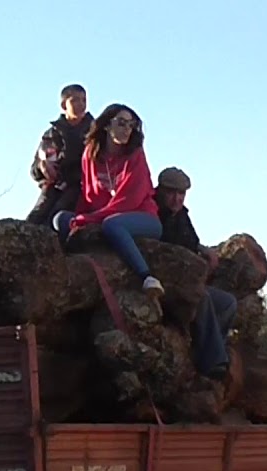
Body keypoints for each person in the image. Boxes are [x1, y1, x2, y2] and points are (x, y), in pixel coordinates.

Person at [53, 104, 164, 299]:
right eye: (121, 123)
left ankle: (146, 277)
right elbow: (88, 193)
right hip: (101, 216)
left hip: (141, 216)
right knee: (61, 219)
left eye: (131, 125)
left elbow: (128, 201)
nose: (127, 129)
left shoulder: (135, 155)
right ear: (106, 125)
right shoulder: (91, 153)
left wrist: (89, 219)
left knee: (112, 225)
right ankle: (67, 262)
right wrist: (79, 219)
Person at [154, 166, 236, 379]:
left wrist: (203, 251)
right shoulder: (150, 213)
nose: (176, 199)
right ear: (161, 191)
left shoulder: (182, 216)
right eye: (171, 193)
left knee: (228, 303)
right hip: (163, 286)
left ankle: (202, 351)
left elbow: (191, 242)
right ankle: (214, 363)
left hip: (190, 280)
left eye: (181, 194)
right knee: (203, 297)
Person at [25, 84, 93, 227]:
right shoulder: (52, 134)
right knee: (34, 219)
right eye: (75, 100)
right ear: (64, 105)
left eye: (83, 100)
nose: (81, 105)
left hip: (79, 188)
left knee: (55, 217)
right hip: (52, 187)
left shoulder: (93, 132)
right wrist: (42, 167)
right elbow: (34, 170)